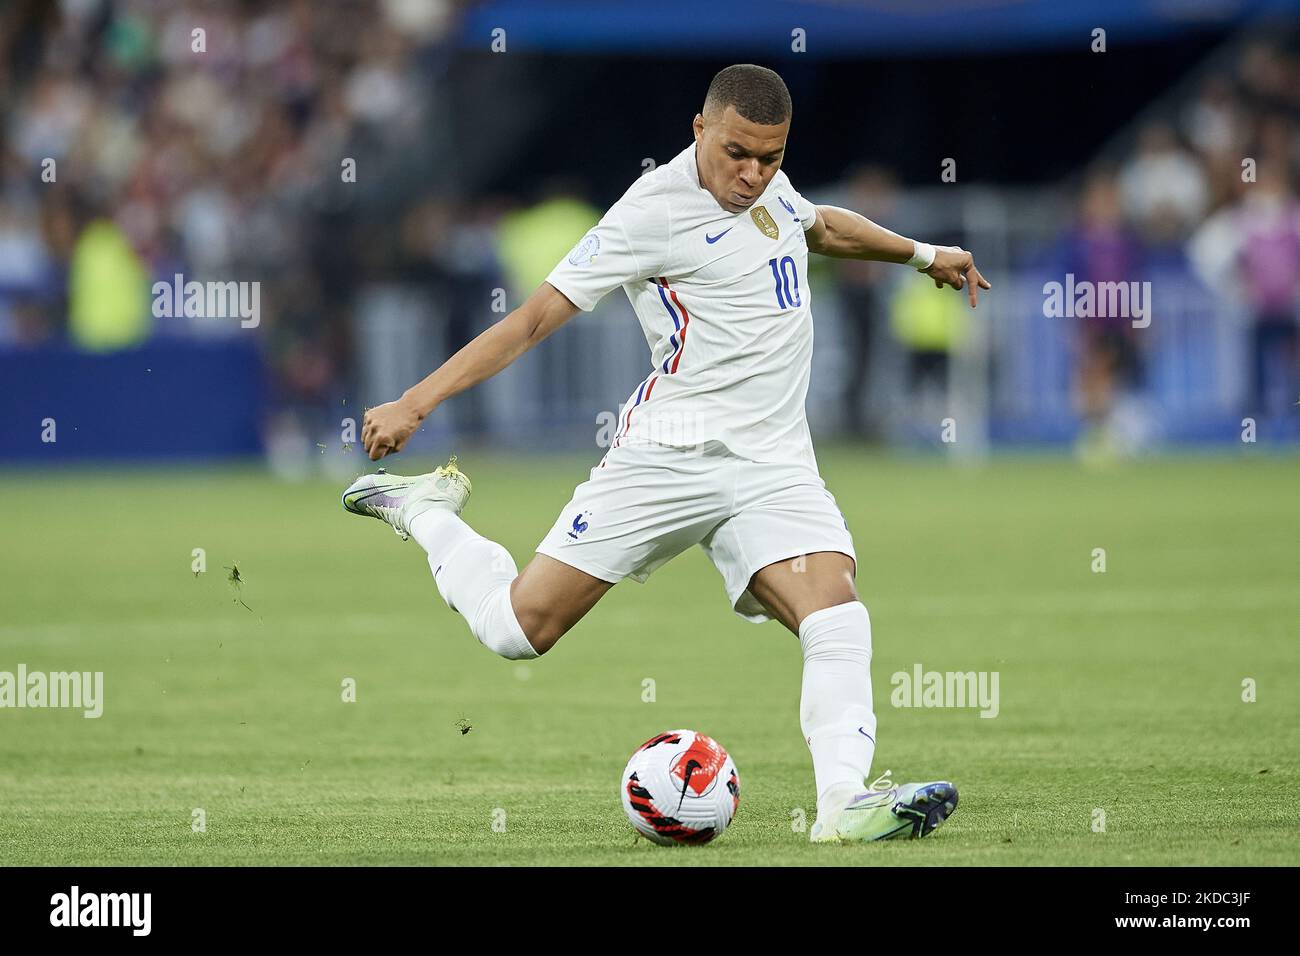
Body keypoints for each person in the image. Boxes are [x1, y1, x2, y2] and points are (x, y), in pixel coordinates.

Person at [343, 64, 988, 843]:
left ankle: (841, 807)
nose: (753, 174)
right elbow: (534, 320)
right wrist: (417, 402)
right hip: (671, 454)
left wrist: (923, 254)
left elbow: (820, 226)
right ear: (699, 130)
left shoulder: (769, 192)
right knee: (520, 629)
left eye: (771, 157)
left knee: (837, 614)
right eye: (738, 153)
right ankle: (425, 511)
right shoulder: (651, 212)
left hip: (775, 462)